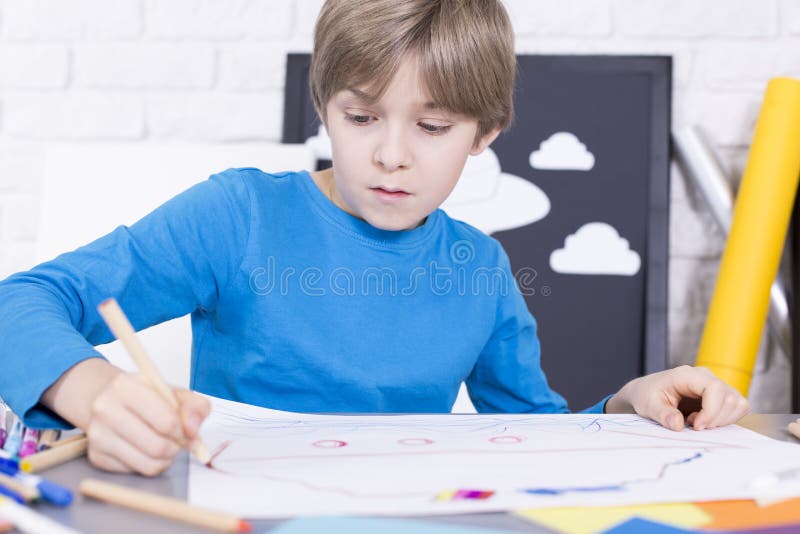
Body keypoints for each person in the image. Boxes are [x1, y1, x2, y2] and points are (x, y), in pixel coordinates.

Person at [0, 0, 748, 477]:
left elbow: (533, 438)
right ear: (324, 108)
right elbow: (22, 302)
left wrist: (627, 405)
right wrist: (92, 390)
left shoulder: (480, 269)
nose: (392, 153)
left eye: (431, 127)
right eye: (361, 118)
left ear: (484, 133)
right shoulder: (239, 216)